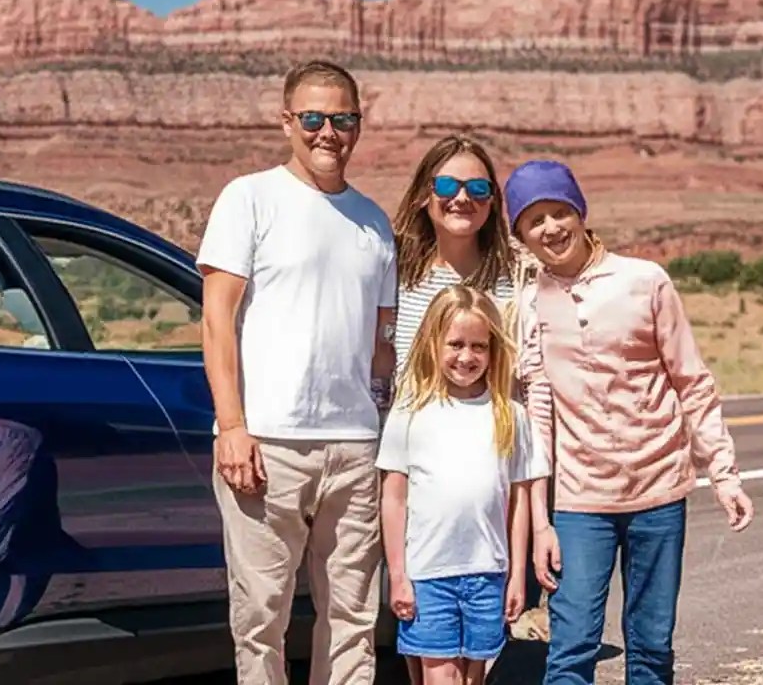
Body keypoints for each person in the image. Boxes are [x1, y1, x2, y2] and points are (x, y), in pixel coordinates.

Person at [503, 159, 755, 685]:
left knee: (650, 647)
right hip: (579, 504)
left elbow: (691, 381)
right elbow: (540, 408)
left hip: (659, 493)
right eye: (534, 220)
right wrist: (543, 520)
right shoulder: (531, 304)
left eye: (559, 212)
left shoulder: (645, 281)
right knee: (570, 650)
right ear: (520, 234)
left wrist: (723, 473)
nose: (550, 228)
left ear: (579, 211)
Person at [195, 59, 397, 685]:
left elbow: (382, 342)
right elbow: (216, 320)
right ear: (287, 122)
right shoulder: (249, 198)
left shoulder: (374, 222)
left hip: (356, 446)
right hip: (267, 445)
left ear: (358, 125)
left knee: (353, 619)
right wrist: (232, 425)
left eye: (343, 119)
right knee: (261, 616)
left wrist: (386, 424)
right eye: (313, 118)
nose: (328, 132)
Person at [377, 285, 549, 685]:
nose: (467, 357)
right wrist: (398, 575)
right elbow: (394, 498)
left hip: (487, 574)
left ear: (493, 351)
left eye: (479, 346)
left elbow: (518, 500)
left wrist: (515, 575)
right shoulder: (411, 412)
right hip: (428, 575)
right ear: (433, 344)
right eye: (455, 344)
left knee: (475, 679)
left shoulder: (510, 415)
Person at [390, 134, 516, 376]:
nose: (462, 198)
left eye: (478, 189)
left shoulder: (518, 280)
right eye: (447, 185)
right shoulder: (393, 272)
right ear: (424, 195)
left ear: (492, 201)